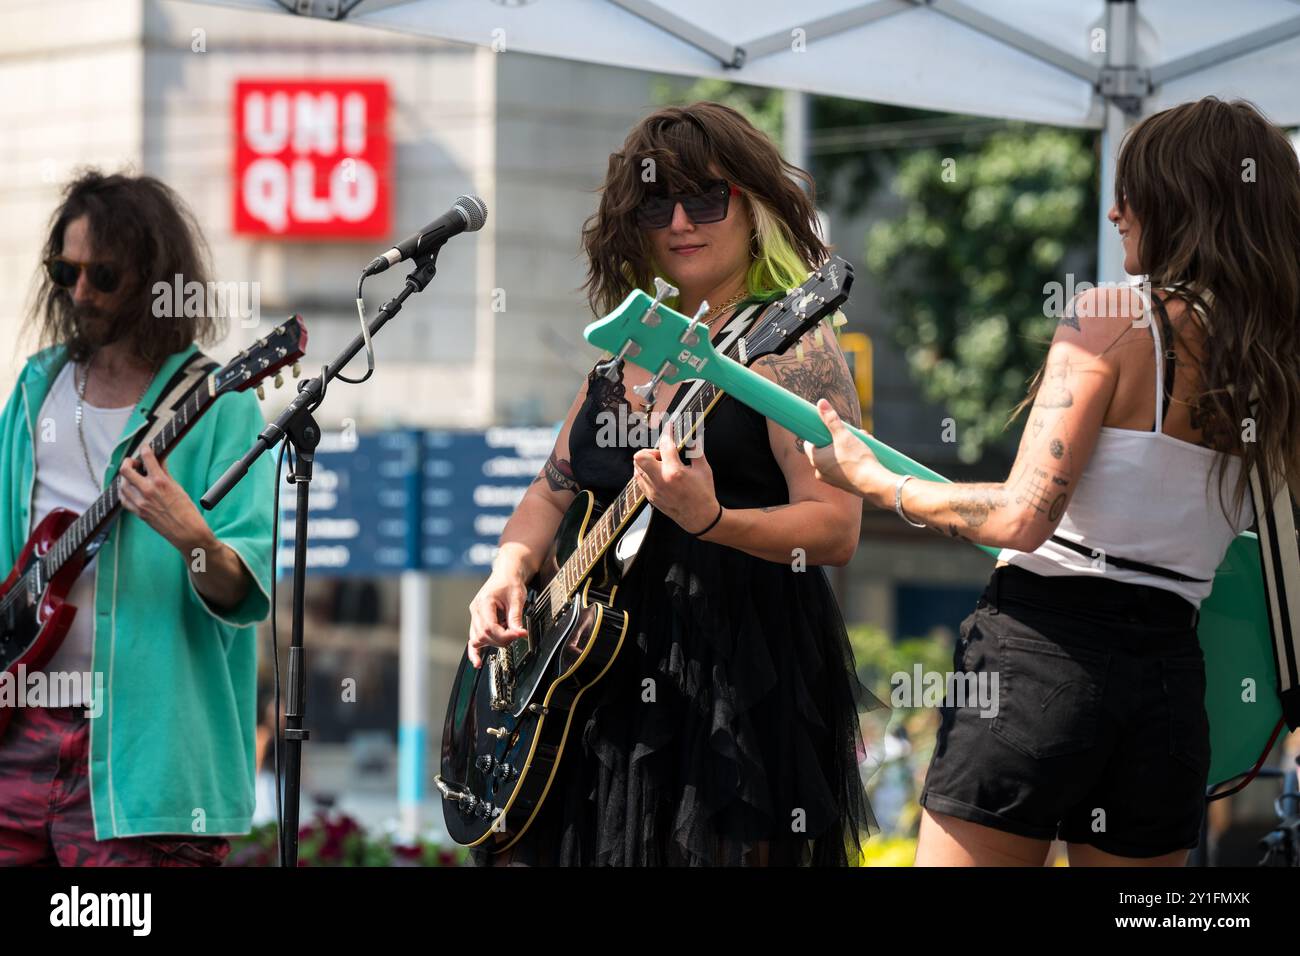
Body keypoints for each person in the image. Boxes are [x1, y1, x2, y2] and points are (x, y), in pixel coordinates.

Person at [804, 96, 1300, 866]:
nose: (1113, 212)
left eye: (1131, 191)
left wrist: (876, 480)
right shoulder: (1275, 368)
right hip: (1171, 682)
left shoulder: (1114, 318)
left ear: (1181, 200)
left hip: (1041, 659)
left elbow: (1023, 517)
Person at [465, 101, 886, 866]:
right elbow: (548, 492)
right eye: (657, 201)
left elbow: (835, 528)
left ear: (753, 206)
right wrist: (508, 568)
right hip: (587, 687)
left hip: (730, 680)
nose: (681, 221)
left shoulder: (787, 345)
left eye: (707, 198)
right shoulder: (622, 359)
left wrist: (713, 518)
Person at [0, 171, 275, 866]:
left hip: (146, 760)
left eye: (105, 274)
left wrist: (193, 537)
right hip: (19, 739)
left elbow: (245, 592)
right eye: (65, 271)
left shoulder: (221, 406)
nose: (80, 292)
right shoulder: (35, 390)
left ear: (154, 279)